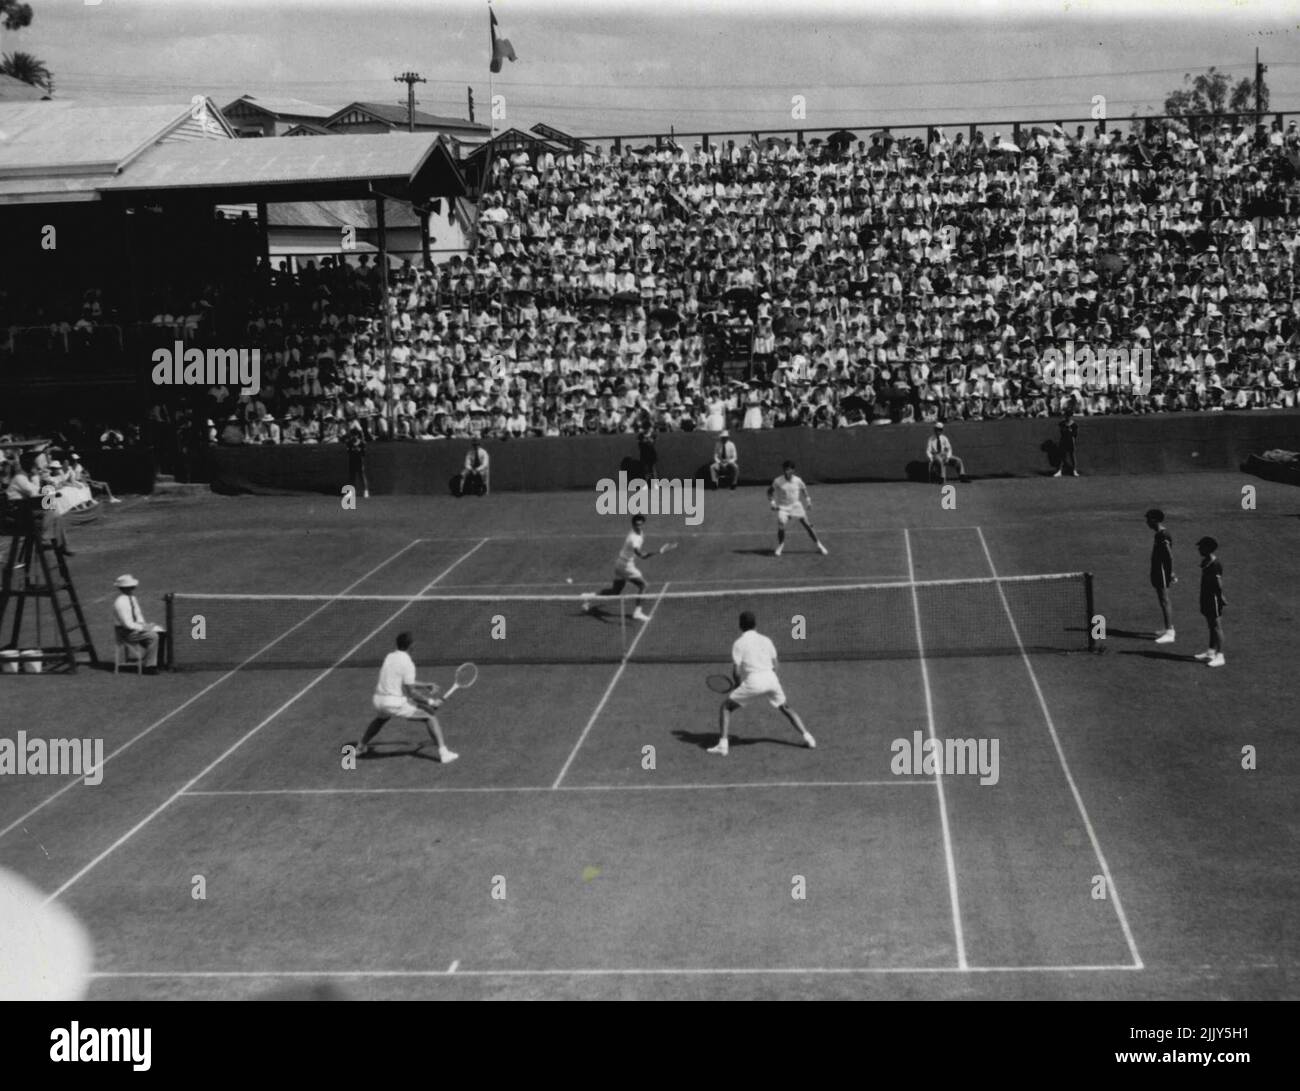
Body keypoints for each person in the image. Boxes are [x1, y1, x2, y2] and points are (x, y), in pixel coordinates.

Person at [708, 611, 815, 757]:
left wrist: (739, 685)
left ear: (740, 625)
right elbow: (776, 665)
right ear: (755, 624)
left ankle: (723, 745)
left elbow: (737, 672)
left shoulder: (738, 643)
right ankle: (809, 738)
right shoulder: (767, 640)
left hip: (754, 682)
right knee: (786, 708)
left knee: (726, 707)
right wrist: (769, 682)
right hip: (771, 679)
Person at [358, 632, 458, 763]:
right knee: (430, 716)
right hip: (393, 703)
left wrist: (426, 685)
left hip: (378, 700)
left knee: (380, 720)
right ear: (411, 646)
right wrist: (431, 701)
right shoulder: (408, 663)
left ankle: (360, 747)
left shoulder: (389, 656)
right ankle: (444, 753)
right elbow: (411, 692)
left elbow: (404, 679)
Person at [581, 514, 657, 622]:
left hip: (620, 563)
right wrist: (643, 555)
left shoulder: (639, 533)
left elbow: (637, 551)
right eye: (637, 525)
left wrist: (643, 554)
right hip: (626, 566)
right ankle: (637, 612)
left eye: (640, 524)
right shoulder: (633, 538)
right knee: (643, 585)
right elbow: (637, 551)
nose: (639, 526)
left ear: (643, 523)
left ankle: (589, 597)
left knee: (615, 591)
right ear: (633, 524)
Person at [5, 452, 71, 555]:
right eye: (33, 465)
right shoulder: (20, 477)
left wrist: (46, 487)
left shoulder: (26, 477)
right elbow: (34, 493)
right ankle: (50, 541)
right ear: (27, 465)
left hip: (25, 508)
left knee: (56, 513)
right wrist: (36, 477)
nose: (35, 467)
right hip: (17, 512)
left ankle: (60, 545)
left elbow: (36, 491)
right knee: (53, 512)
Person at [767, 460, 828, 557]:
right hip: (783, 507)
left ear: (793, 470)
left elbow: (804, 489)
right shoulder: (777, 481)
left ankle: (819, 545)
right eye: (785, 470)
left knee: (807, 525)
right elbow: (769, 492)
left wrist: (808, 500)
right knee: (781, 523)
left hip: (796, 506)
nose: (787, 472)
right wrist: (772, 502)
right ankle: (780, 545)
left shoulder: (798, 480)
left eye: (789, 470)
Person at [112, 574, 163, 672]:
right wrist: (144, 628)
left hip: (134, 629)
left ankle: (155, 662)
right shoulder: (120, 603)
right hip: (126, 632)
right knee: (153, 636)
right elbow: (127, 624)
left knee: (160, 632)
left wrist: (145, 625)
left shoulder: (132, 598)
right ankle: (150, 666)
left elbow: (138, 615)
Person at [1194, 536, 1226, 668]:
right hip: (1206, 596)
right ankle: (1211, 651)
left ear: (1208, 548)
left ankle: (1220, 655)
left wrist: (1221, 597)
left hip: (1213, 598)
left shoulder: (1215, 564)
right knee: (1211, 625)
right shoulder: (1206, 561)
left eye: (1201, 547)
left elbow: (1218, 583)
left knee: (1217, 627)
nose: (1199, 549)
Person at [1146, 509, 1176, 643]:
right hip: (1158, 570)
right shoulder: (1158, 534)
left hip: (1163, 571)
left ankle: (1170, 632)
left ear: (1154, 520)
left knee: (1165, 600)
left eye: (1148, 519)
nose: (1147, 522)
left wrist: (1171, 572)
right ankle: (1167, 627)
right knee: (1162, 599)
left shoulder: (1163, 535)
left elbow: (1169, 555)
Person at [345, 424, 369, 499]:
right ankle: (351, 492)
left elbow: (363, 453)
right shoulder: (349, 443)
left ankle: (365, 491)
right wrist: (352, 450)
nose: (353, 437)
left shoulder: (362, 443)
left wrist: (358, 450)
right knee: (352, 477)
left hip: (359, 461)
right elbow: (348, 452)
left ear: (357, 435)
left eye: (355, 435)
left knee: (362, 476)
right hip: (352, 461)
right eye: (352, 435)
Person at [1054, 411, 1079, 476]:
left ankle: (1074, 470)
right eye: (1066, 416)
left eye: (1069, 416)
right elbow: (1061, 432)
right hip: (1063, 441)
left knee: (1072, 456)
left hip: (1070, 441)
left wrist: (1073, 442)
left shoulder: (1074, 425)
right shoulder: (1062, 423)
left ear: (1071, 416)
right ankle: (1059, 471)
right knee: (1062, 456)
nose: (1068, 417)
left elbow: (1075, 435)